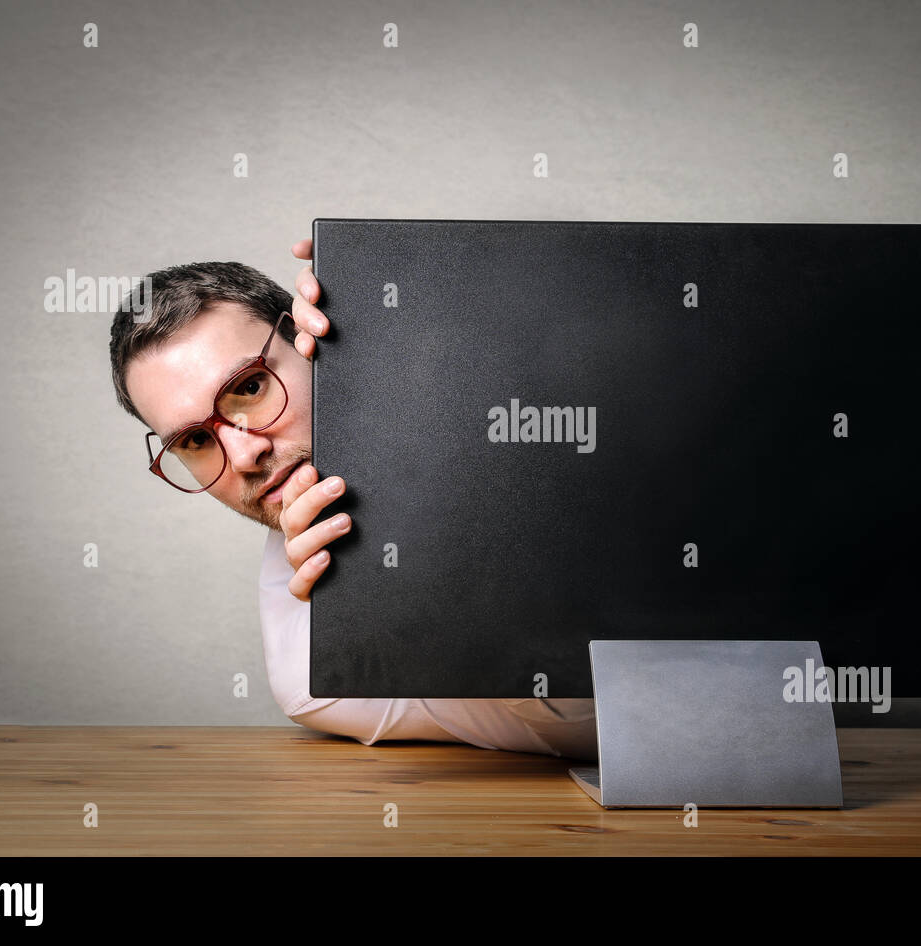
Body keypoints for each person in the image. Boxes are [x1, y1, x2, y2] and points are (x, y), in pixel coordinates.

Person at [108, 238, 597, 760]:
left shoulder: (537, 420)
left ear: (312, 341)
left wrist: (413, 308)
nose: (245, 452)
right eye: (196, 441)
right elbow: (606, 733)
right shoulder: (312, 676)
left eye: (250, 387)